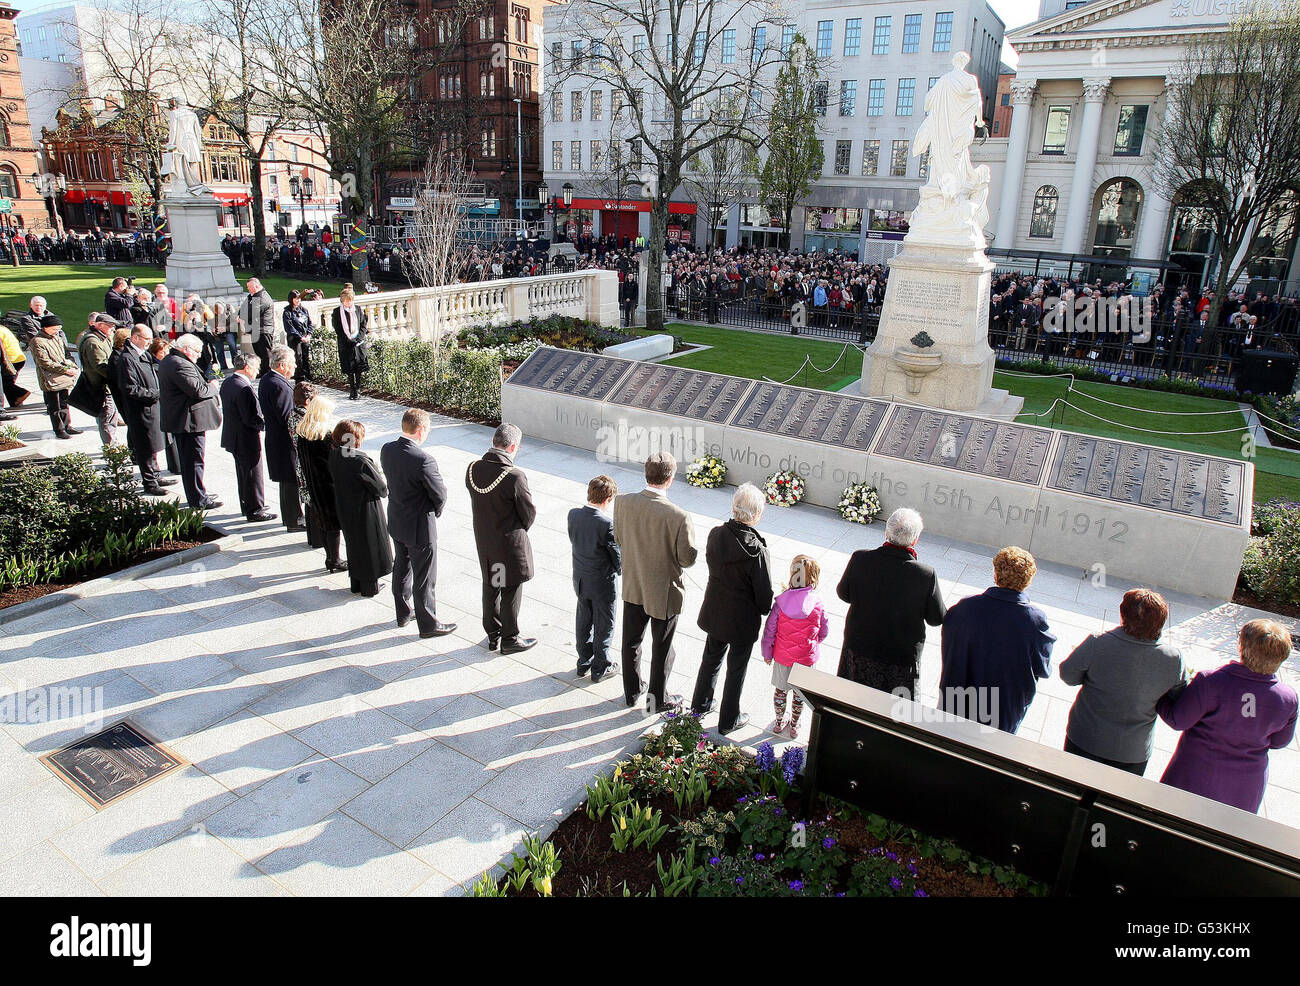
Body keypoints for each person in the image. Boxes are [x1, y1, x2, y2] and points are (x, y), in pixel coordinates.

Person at [1157, 620, 1297, 813]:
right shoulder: (1288, 699)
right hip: (1244, 788)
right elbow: (1279, 742)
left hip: (1194, 775)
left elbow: (1178, 720)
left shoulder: (1210, 681)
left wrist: (1160, 696)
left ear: (1242, 646)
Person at [1058, 588, 1186, 775]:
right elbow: (1178, 697)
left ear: (1123, 614)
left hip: (1085, 739)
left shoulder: (1098, 643)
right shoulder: (1174, 658)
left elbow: (1067, 675)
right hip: (1132, 752)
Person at [613, 451, 698, 714]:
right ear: (670, 479)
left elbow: (618, 538)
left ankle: (632, 692)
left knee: (631, 642)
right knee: (661, 647)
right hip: (663, 592)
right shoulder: (678, 516)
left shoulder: (623, 502)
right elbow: (687, 559)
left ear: (646, 473)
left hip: (634, 584)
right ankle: (656, 700)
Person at [938, 547, 1056, 734]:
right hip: (1002, 713)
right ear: (1028, 580)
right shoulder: (1035, 620)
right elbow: (1043, 669)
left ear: (995, 574)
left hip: (957, 703)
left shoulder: (964, 608)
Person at [690, 483, 773, 734]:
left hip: (716, 611)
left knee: (711, 659)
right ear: (756, 515)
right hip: (742, 620)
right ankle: (728, 720)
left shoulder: (716, 534)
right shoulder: (757, 550)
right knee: (736, 669)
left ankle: (699, 707)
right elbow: (763, 596)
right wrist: (765, 607)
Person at [837, 507, 946, 699]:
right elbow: (936, 618)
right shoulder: (925, 574)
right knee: (895, 715)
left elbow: (844, 594)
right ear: (915, 540)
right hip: (900, 661)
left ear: (886, 533)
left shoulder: (860, 559)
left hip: (859, 650)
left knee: (853, 703)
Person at [380, 408, 455, 638]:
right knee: (425, 575)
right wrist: (436, 513)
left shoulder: (387, 449)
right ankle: (429, 624)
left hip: (397, 519)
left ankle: (403, 613)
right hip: (419, 525)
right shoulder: (423, 460)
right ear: (420, 430)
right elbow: (439, 494)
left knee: (401, 567)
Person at [465, 422, 537, 653]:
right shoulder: (514, 476)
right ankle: (510, 638)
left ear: (493, 442)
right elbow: (528, 513)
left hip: (485, 540)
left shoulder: (473, 468)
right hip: (508, 543)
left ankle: (492, 633)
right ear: (513, 446)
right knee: (510, 589)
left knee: (492, 583)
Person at [761, 555, 830, 739]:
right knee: (799, 694)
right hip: (806, 658)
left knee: (780, 691)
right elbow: (824, 630)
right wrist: (813, 645)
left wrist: (767, 653)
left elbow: (770, 630)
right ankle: (794, 725)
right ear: (813, 577)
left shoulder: (781, 603)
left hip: (783, 658)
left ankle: (778, 721)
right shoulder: (817, 604)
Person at [157, 333, 223, 510]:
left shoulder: (171, 360)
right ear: (185, 349)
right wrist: (214, 387)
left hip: (184, 420)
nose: (198, 355)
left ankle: (198, 495)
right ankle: (198, 499)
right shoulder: (179, 364)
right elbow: (198, 391)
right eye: (196, 351)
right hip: (188, 422)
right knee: (193, 462)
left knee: (191, 462)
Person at [329, 419, 392, 597]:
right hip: (365, 510)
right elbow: (381, 489)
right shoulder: (359, 460)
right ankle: (370, 587)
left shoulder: (335, 454)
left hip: (344, 506)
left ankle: (356, 583)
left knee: (353, 545)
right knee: (369, 546)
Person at [567, 474, 621, 682]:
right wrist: (621, 569)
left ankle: (583, 662)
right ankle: (601, 667)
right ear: (607, 499)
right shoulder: (607, 523)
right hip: (602, 583)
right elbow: (616, 555)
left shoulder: (573, 515)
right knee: (604, 624)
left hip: (580, 579)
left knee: (583, 619)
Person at [117, 324, 174, 494]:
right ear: (135, 338)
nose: (150, 343)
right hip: (140, 410)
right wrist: (156, 394)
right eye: (147, 339)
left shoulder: (141, 353)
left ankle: (155, 475)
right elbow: (130, 388)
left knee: (153, 443)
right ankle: (150, 482)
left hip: (151, 407)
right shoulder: (128, 358)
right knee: (145, 446)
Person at [218, 354, 276, 522]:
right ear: (247, 367)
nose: (257, 371)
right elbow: (249, 417)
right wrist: (265, 425)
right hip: (245, 438)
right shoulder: (243, 387)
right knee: (252, 474)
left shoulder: (229, 381)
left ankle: (249, 504)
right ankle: (255, 510)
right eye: (256, 367)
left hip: (234, 436)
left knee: (243, 473)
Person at [295, 393, 346, 573]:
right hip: (328, 486)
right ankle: (335, 559)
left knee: (323, 522)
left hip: (312, 483)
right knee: (333, 525)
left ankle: (330, 557)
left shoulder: (303, 431)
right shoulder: (325, 437)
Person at [258, 345, 305, 531]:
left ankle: (292, 518)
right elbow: (287, 417)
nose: (295, 367)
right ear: (283, 365)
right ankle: (294, 520)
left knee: (288, 482)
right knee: (291, 481)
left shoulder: (268, 379)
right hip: (284, 443)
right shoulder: (279, 385)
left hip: (277, 440)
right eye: (292, 364)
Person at [74, 313, 122, 447]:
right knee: (106, 419)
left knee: (110, 418)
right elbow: (101, 366)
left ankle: (113, 445)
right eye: (110, 326)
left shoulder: (102, 338)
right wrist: (120, 376)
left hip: (107, 386)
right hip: (102, 388)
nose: (113, 329)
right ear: (100, 326)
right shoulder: (93, 341)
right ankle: (111, 450)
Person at [30, 314, 80, 440]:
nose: (57, 331)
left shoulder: (57, 338)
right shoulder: (37, 341)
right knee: (54, 405)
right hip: (49, 378)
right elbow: (44, 362)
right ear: (45, 328)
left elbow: (66, 354)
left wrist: (72, 365)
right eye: (54, 329)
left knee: (64, 402)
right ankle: (59, 429)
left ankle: (67, 425)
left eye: (58, 329)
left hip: (62, 376)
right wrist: (65, 369)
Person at [332, 284, 368, 399]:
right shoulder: (337, 311)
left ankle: (358, 388)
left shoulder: (357, 309)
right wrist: (348, 340)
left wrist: (358, 338)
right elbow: (338, 328)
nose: (348, 303)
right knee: (349, 368)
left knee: (358, 366)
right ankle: (352, 389)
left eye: (350, 300)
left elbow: (363, 325)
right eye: (346, 301)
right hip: (346, 343)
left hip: (358, 343)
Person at [240, 277, 276, 377]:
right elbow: (243, 308)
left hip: (263, 330)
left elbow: (253, 312)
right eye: (247, 287)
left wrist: (242, 317)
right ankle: (262, 372)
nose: (248, 289)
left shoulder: (263, 297)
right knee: (258, 353)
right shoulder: (251, 296)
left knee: (266, 354)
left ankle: (268, 373)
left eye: (250, 287)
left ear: (257, 286)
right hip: (255, 330)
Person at [283, 289, 313, 381]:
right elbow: (289, 328)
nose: (297, 300)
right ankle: (299, 378)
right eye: (295, 299)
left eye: (299, 299)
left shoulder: (304, 310)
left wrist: (308, 334)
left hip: (305, 339)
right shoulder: (287, 312)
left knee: (306, 357)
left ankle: (307, 376)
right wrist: (300, 337)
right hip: (295, 340)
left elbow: (310, 324)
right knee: (298, 358)